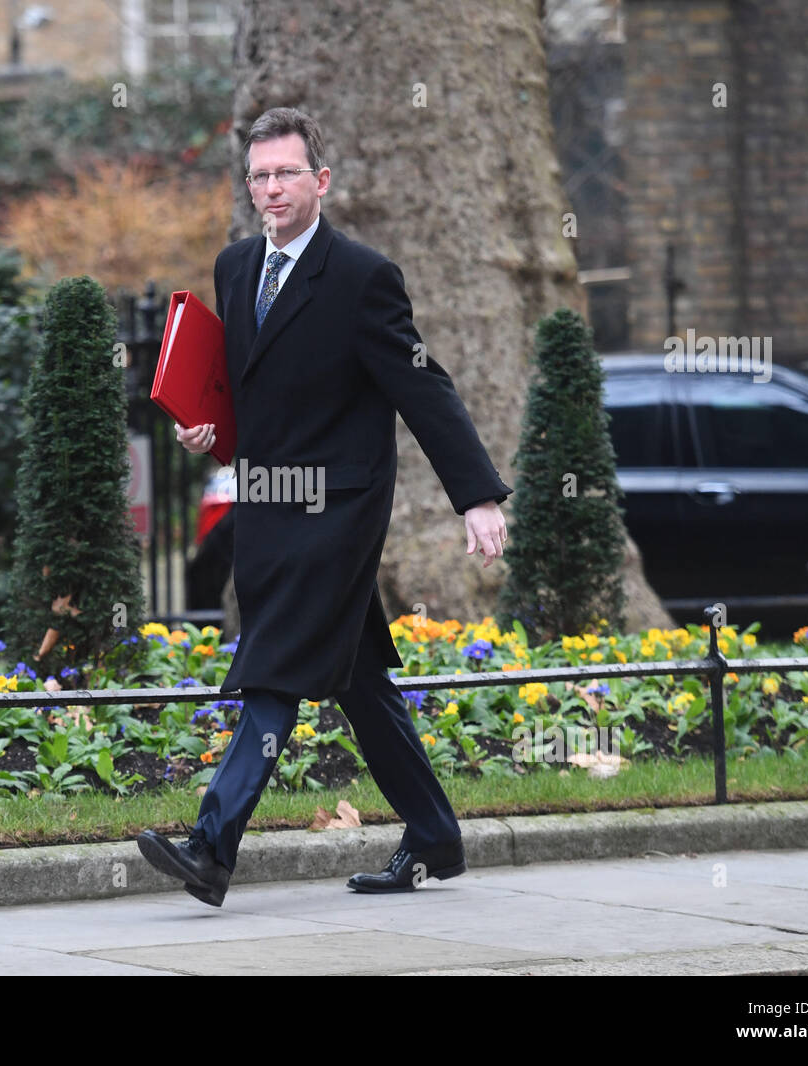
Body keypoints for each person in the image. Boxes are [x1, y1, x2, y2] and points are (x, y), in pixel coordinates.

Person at [137, 107, 511, 907]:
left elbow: (422, 384)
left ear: (322, 181)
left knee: (273, 668)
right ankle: (436, 835)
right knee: (360, 681)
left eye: (286, 174)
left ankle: (213, 845)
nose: (272, 189)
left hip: (338, 509)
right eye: (260, 176)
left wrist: (476, 496)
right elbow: (248, 388)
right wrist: (210, 432)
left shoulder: (362, 277)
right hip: (266, 502)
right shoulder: (236, 267)